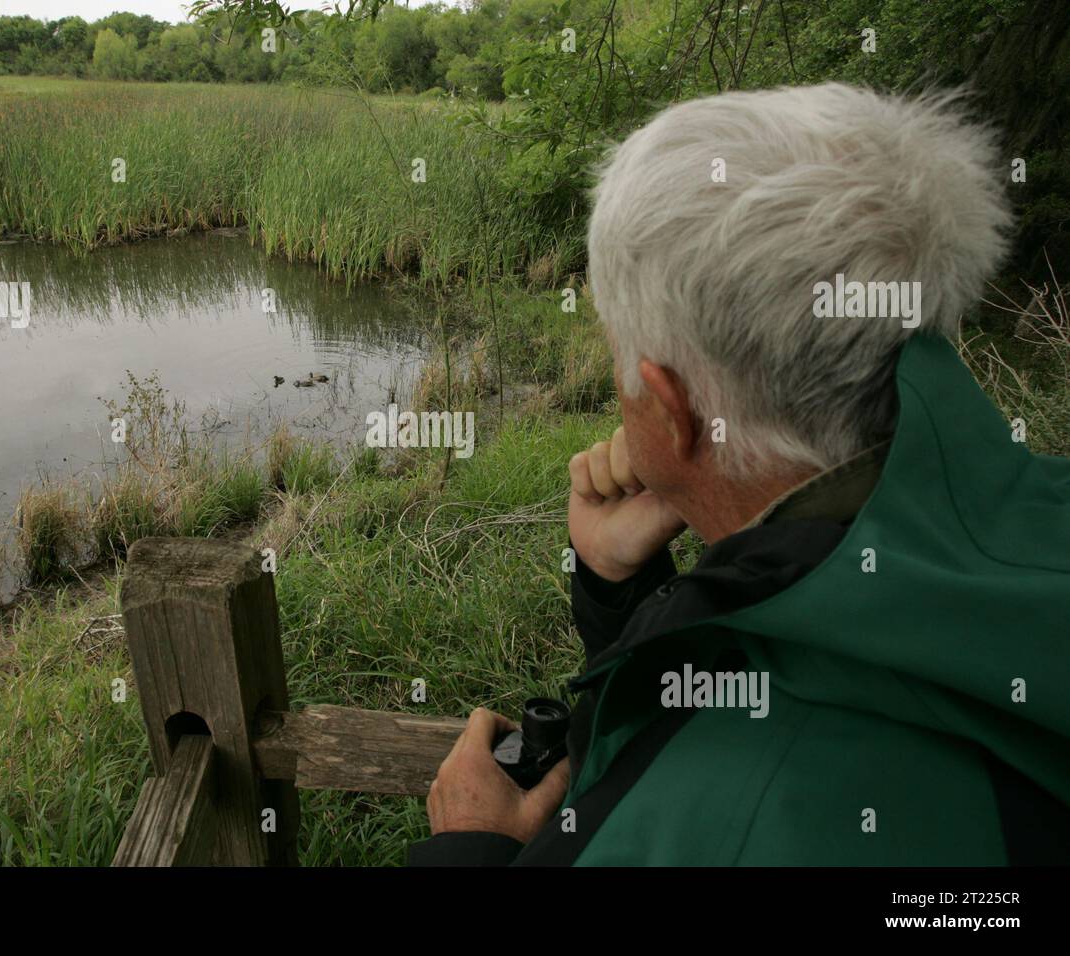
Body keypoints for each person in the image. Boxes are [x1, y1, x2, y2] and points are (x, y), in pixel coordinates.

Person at [409, 82, 1070, 866]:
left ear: (672, 406)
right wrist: (623, 590)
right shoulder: (1041, 509)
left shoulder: (713, 828)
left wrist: (473, 852)